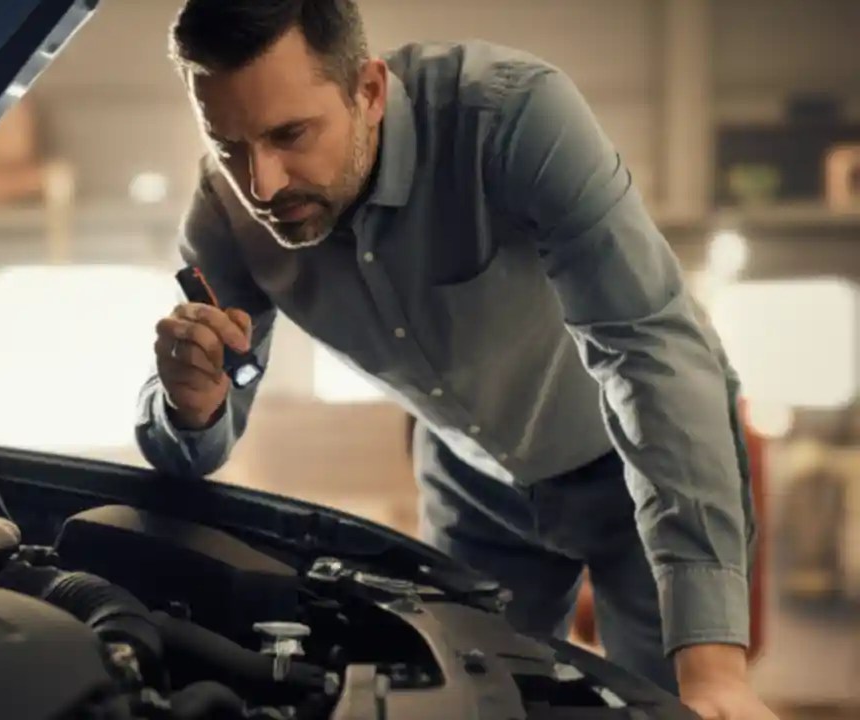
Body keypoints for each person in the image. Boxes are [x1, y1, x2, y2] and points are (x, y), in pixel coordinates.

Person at [134, 1, 773, 718]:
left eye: (291, 134)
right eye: (229, 146)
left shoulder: (511, 118)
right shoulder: (224, 215)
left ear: (370, 92)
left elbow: (647, 347)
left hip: (641, 463)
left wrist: (714, 668)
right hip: (472, 485)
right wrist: (192, 406)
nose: (264, 185)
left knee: (671, 706)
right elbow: (203, 426)